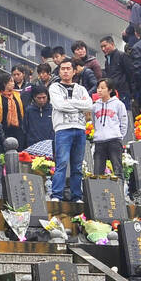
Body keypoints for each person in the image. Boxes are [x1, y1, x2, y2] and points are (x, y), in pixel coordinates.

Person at [47, 59, 95, 201]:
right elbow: (59, 105)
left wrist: (70, 102)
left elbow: (89, 105)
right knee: (61, 163)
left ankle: (76, 195)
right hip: (63, 129)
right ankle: (56, 195)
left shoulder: (81, 89)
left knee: (77, 165)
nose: (66, 71)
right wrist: (78, 105)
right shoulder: (54, 87)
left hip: (80, 128)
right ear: (59, 71)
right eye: (63, 69)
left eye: (68, 68)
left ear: (74, 71)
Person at [91, 79, 128, 176]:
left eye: (103, 88)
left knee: (117, 169)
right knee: (98, 172)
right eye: (98, 88)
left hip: (114, 141)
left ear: (110, 90)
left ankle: (120, 189)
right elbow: (95, 123)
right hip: (99, 141)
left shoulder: (118, 104)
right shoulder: (95, 106)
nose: (99, 90)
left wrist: (119, 136)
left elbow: (123, 123)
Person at [0, 74, 25, 146]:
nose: (13, 83)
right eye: (11, 81)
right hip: (3, 128)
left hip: (17, 128)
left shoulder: (16, 95)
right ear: (4, 83)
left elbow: (20, 111)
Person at [22, 87, 54, 158]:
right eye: (39, 98)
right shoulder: (29, 110)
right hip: (33, 146)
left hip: (50, 146)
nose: (42, 100)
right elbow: (25, 128)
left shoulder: (52, 109)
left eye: (44, 97)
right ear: (34, 97)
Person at [100, 36, 133, 101]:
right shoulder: (107, 61)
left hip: (123, 92)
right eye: (101, 47)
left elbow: (131, 74)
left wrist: (132, 92)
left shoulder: (122, 56)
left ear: (112, 44)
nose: (103, 49)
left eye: (105, 46)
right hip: (112, 93)